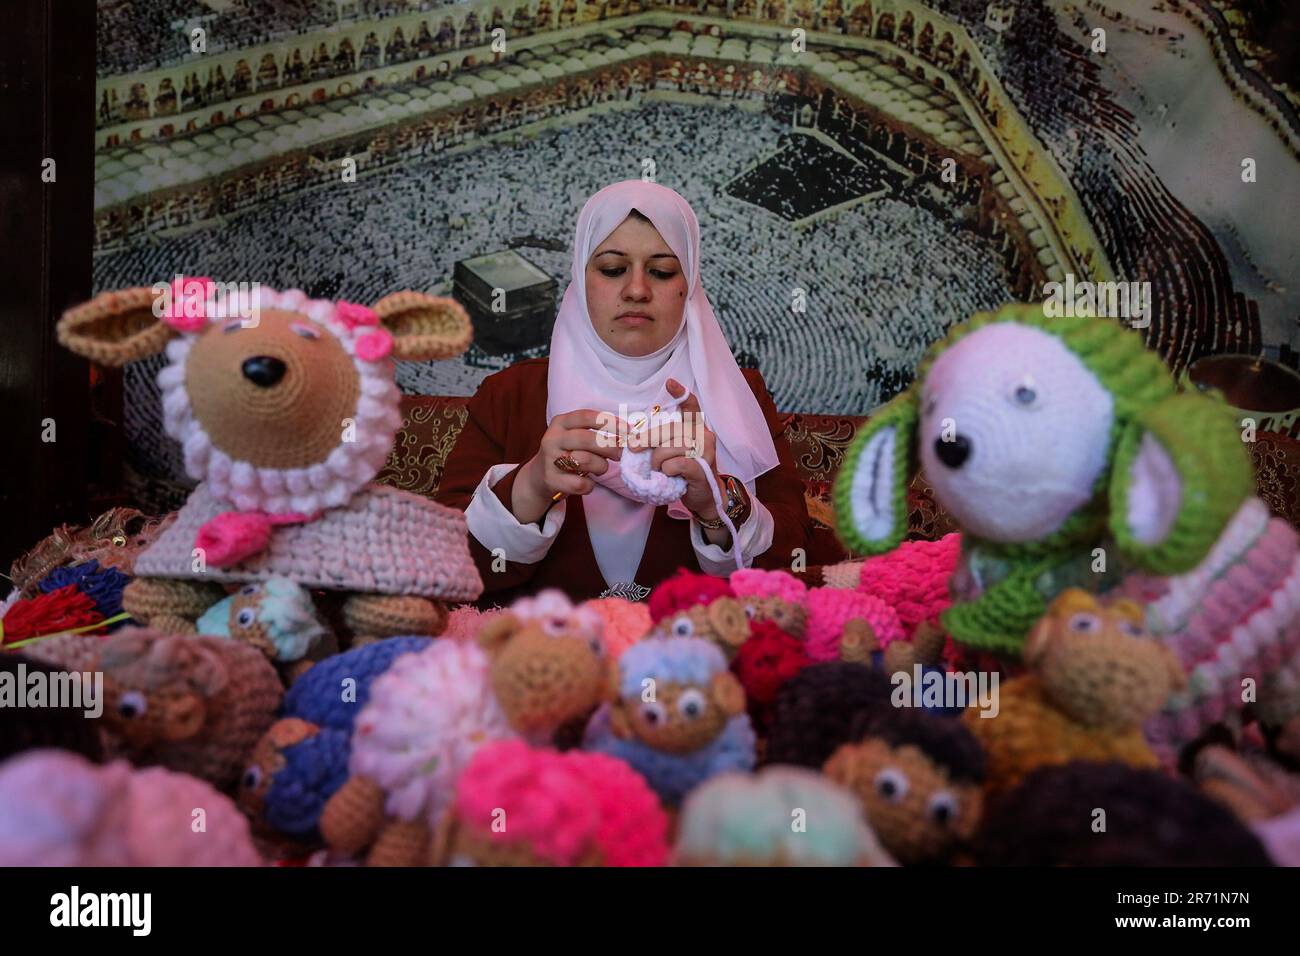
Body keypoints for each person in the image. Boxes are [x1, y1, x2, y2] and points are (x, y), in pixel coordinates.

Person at [437, 180, 812, 603]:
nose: (636, 290)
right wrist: (532, 486)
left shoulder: (740, 394)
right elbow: (444, 569)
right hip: (545, 661)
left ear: (688, 286)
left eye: (662, 271)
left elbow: (795, 562)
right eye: (613, 269)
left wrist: (716, 503)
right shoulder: (510, 395)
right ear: (580, 279)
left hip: (689, 662)